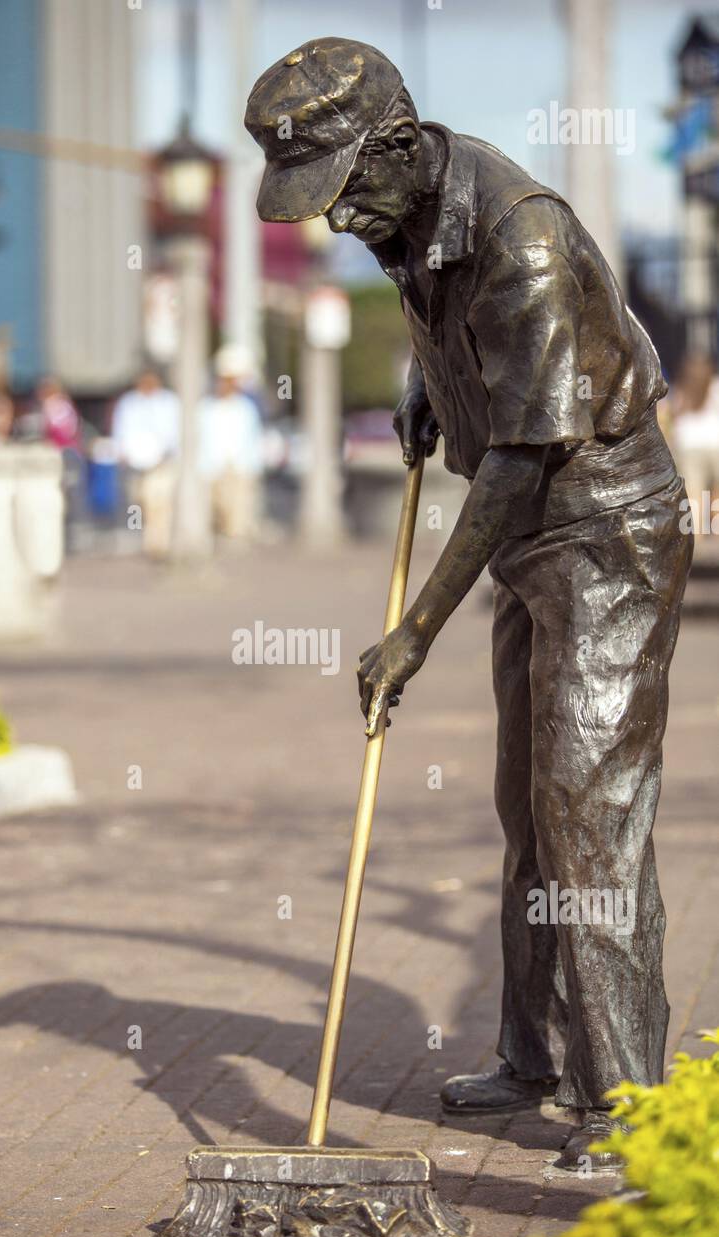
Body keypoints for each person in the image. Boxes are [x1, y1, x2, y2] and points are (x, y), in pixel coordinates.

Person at [246, 37, 693, 1170]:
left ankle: (629, 1110)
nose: (337, 221)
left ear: (394, 146)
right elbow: (473, 347)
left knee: (587, 810)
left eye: (342, 192)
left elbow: (517, 462)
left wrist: (413, 630)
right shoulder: (410, 213)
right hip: (533, 532)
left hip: (604, 532)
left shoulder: (520, 234)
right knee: (525, 807)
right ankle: (532, 1053)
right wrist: (429, 383)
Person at [111, 367, 179, 556]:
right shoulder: (129, 403)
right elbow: (120, 431)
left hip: (160, 463)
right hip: (135, 464)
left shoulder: (169, 402)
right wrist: (122, 452)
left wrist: (166, 454)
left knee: (159, 502)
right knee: (136, 503)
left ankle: (158, 543)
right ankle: (137, 535)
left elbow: (174, 433)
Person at [199, 344, 264, 539]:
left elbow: (252, 438)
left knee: (238, 517)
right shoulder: (205, 408)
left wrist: (251, 466)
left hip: (239, 467)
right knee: (215, 513)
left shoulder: (246, 407)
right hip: (212, 468)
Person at [669, 352, 719, 540]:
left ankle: (696, 543)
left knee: (694, 500)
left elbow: (672, 418)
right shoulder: (715, 386)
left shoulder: (681, 389)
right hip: (715, 446)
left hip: (689, 448)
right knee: (716, 498)